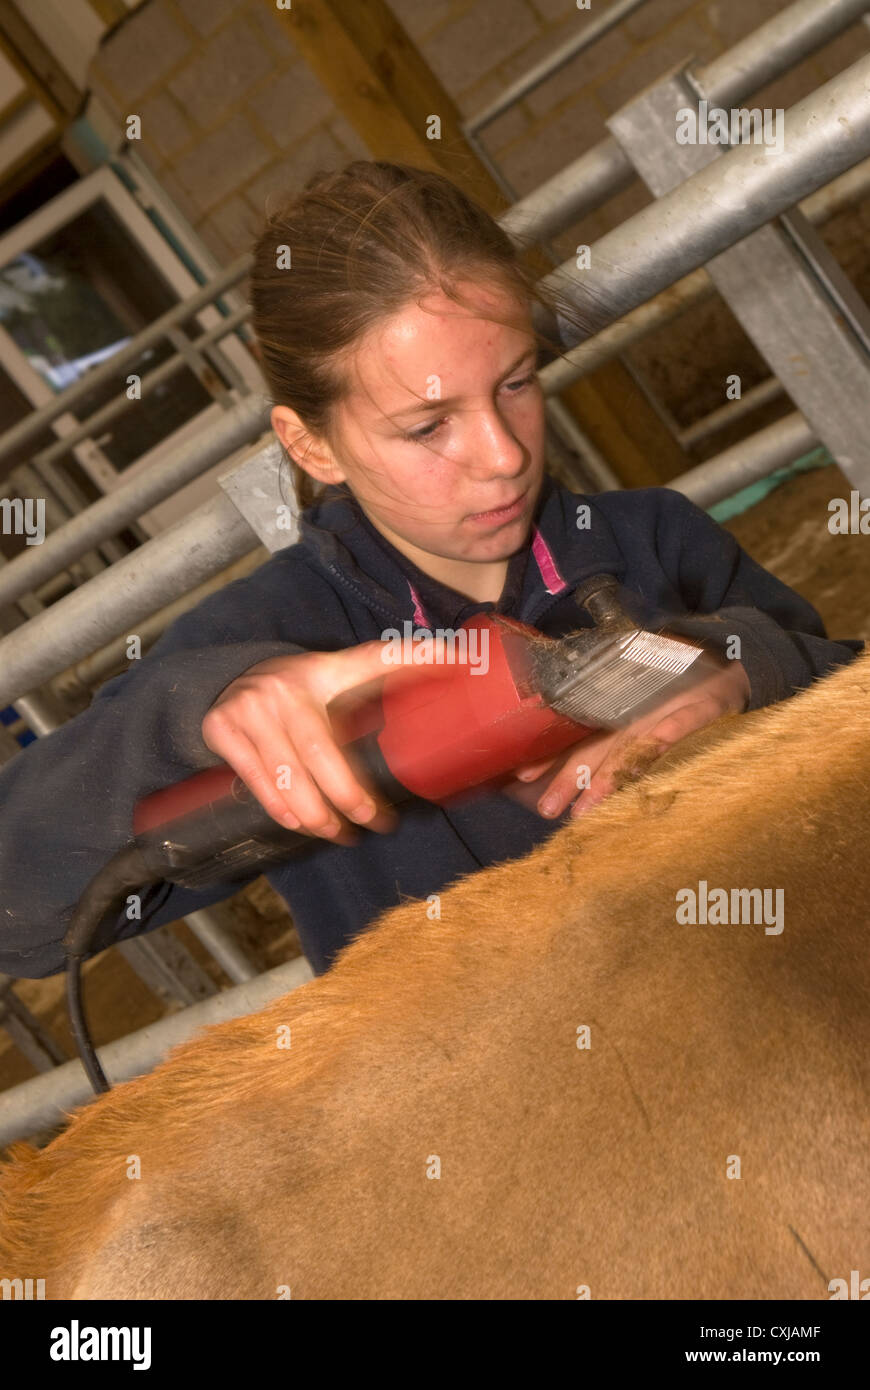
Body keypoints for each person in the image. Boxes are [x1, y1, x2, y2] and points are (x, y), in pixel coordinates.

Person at [0, 161, 862, 980]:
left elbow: (843, 689)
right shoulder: (265, 645)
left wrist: (740, 666)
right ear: (312, 444)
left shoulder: (652, 542)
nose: (502, 456)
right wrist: (189, 721)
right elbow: (19, 912)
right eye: (426, 426)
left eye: (518, 383)